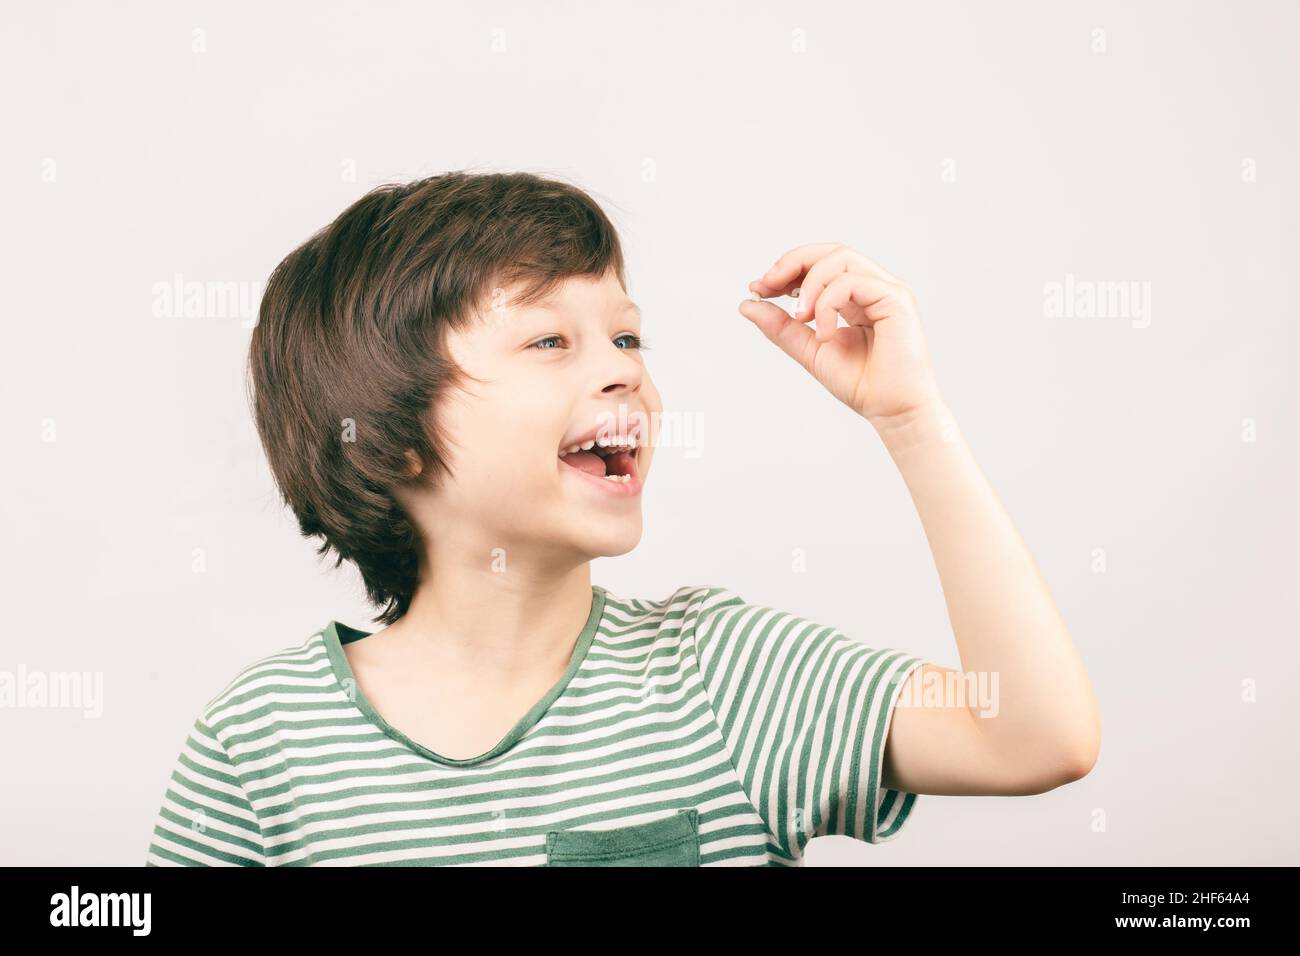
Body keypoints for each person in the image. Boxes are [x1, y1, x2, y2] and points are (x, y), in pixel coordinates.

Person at [145, 171, 1100, 867]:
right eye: (550, 339)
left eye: (628, 335)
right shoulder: (258, 745)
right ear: (391, 439)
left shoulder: (725, 677)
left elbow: (1034, 736)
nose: (623, 371)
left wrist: (910, 419)